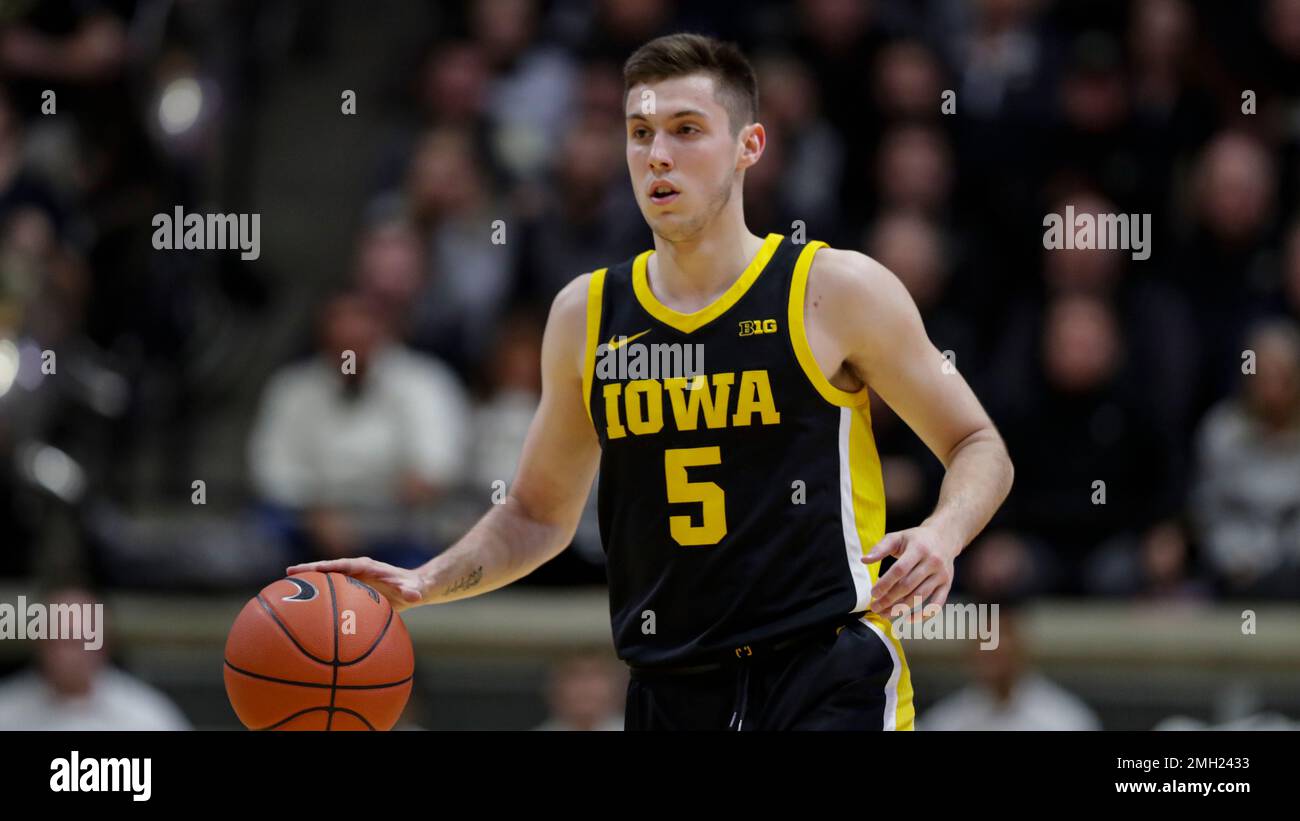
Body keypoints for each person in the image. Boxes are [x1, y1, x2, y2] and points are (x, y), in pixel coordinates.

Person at [291, 33, 1013, 731]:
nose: (658, 155)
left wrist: (943, 534)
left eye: (686, 129)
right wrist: (426, 579)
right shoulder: (585, 314)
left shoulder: (833, 288)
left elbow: (979, 443)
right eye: (639, 133)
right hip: (668, 685)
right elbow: (539, 514)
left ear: (748, 147)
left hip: (825, 673)